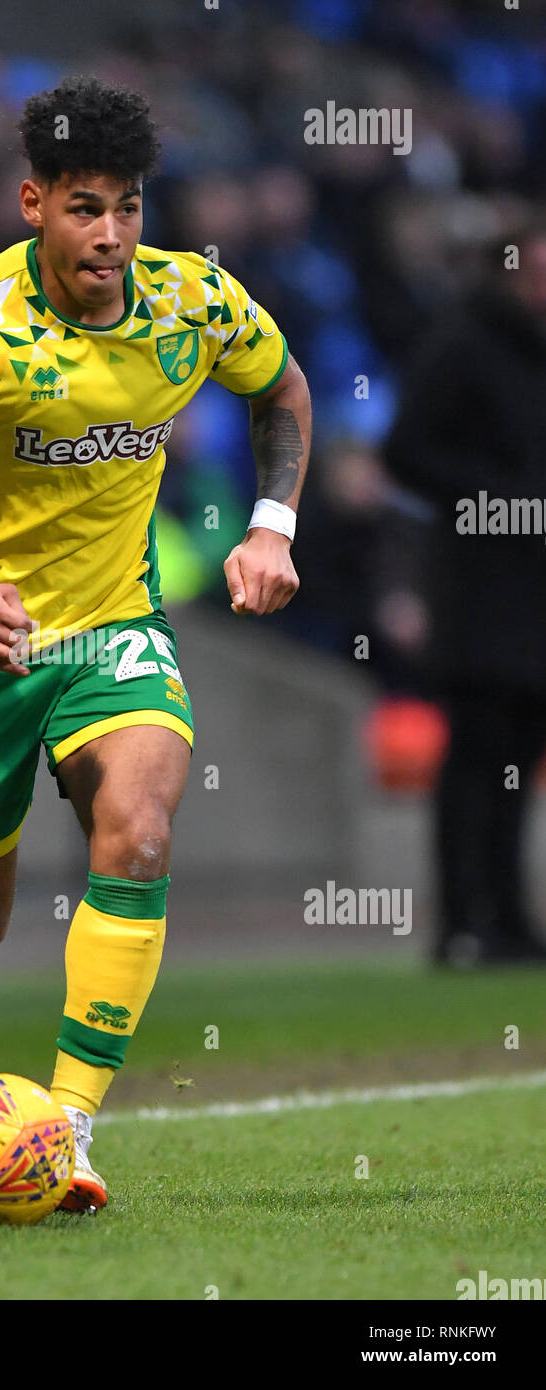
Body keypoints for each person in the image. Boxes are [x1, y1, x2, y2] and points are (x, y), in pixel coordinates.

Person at [0, 77, 311, 1210]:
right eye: (85, 207)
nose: (111, 234)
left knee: (138, 833)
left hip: (112, 633)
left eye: (129, 207)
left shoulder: (196, 303)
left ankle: (71, 1130)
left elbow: (281, 386)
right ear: (33, 202)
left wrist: (270, 526)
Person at [385, 224, 546, 966]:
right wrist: (502, 499)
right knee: (476, 758)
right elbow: (406, 452)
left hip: (532, 592)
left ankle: (509, 919)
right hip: (481, 589)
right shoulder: (465, 343)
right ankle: (458, 924)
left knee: (517, 761)